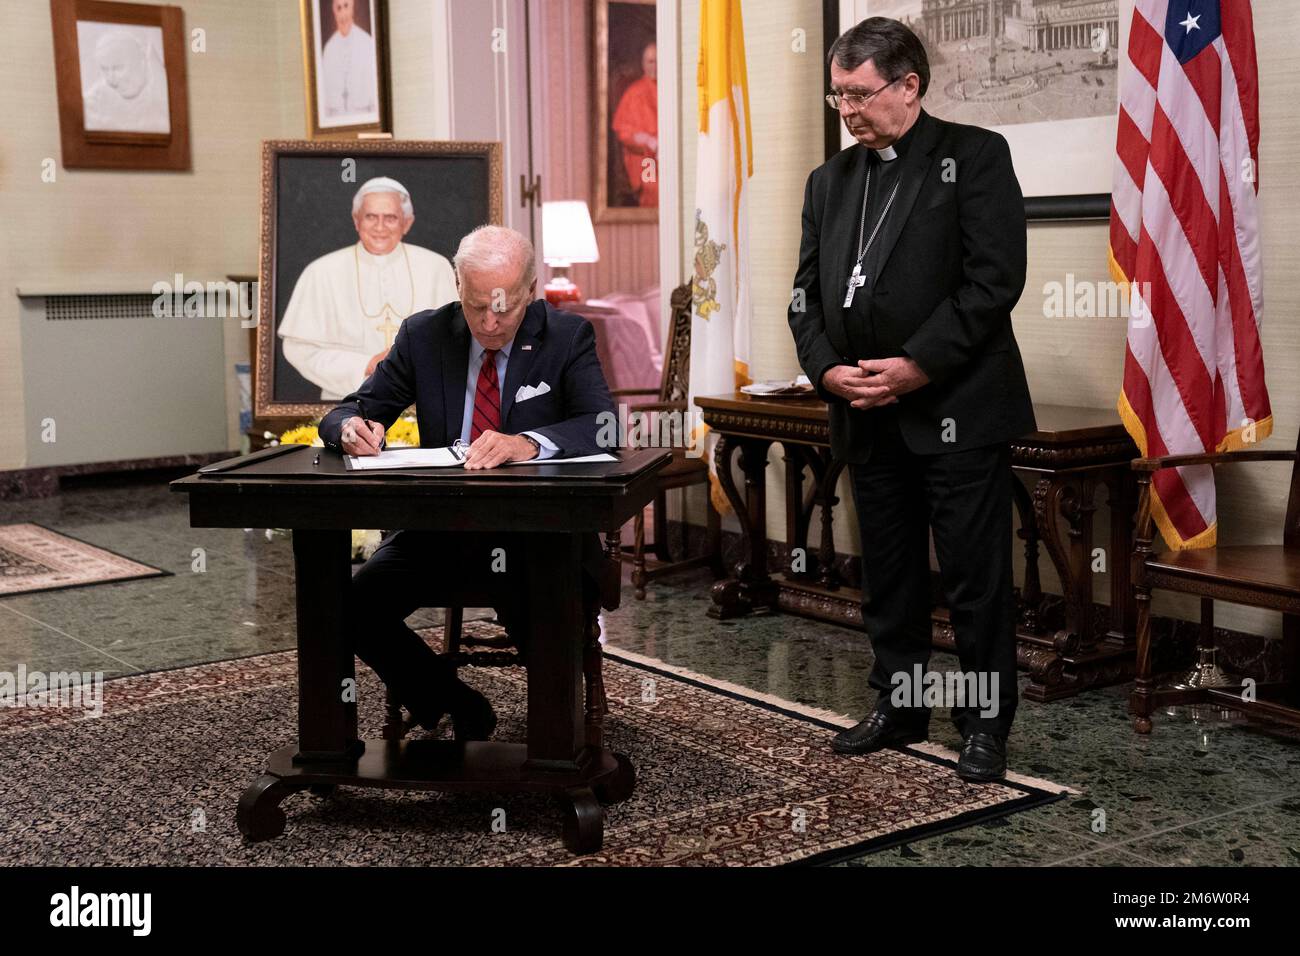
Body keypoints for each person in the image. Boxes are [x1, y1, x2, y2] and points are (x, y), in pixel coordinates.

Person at [787, 17, 1035, 782]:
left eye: (858, 95)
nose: (848, 111)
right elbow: (804, 295)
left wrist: (914, 367)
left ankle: (984, 722)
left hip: (955, 408)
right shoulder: (829, 182)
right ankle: (900, 706)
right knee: (889, 573)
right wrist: (828, 369)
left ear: (908, 86)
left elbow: (993, 283)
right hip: (863, 412)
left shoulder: (975, 156)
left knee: (973, 577)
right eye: (838, 96)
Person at [317, 225, 614, 739]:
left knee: (543, 614)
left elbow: (600, 423)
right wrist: (349, 429)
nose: (491, 321)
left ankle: (555, 752)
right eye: (477, 306)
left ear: (531, 289)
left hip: (535, 532)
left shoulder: (566, 337)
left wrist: (527, 443)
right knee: (351, 608)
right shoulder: (424, 336)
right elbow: (351, 409)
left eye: (505, 306)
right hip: (440, 530)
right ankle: (456, 705)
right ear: (458, 287)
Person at [278, 177, 457, 401]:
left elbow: (455, 342)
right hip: (345, 404)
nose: (380, 227)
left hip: (422, 403)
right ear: (356, 220)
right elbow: (300, 350)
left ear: (407, 223)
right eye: (371, 216)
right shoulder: (321, 272)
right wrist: (366, 365)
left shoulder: (436, 268)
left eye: (390, 218)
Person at [611, 42, 658, 208]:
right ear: (643, 64)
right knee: (653, 190)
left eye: (658, 61)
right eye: (651, 62)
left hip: (669, 156)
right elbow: (623, 132)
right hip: (646, 159)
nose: (655, 66)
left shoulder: (669, 88)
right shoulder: (634, 93)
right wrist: (647, 141)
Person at [319, 0, 378, 120]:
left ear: (352, 8)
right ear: (334, 11)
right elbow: (324, 103)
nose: (343, 13)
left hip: (362, 119)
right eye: (338, 8)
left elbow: (375, 100)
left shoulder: (367, 43)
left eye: (346, 6)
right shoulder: (329, 49)